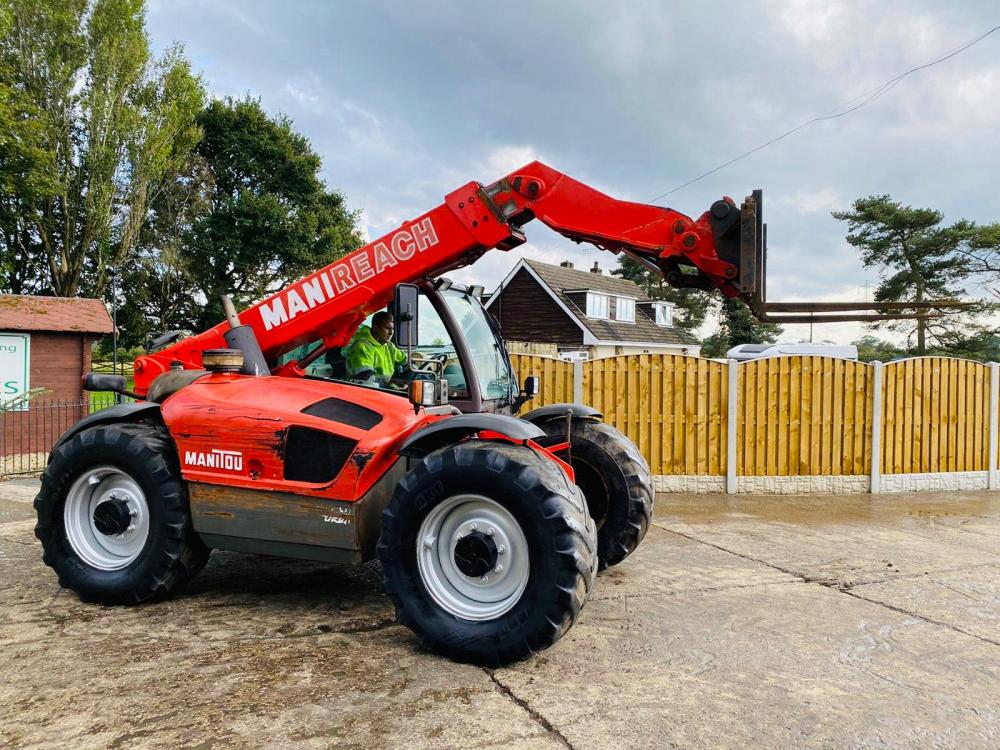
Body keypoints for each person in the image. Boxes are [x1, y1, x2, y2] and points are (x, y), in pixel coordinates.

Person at [344, 311, 408, 382]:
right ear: (375, 328)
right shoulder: (362, 346)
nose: (391, 333)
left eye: (392, 329)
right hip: (364, 389)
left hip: (383, 388)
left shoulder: (390, 347)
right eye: (387, 328)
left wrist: (405, 380)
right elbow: (365, 378)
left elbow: (407, 362)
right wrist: (391, 385)